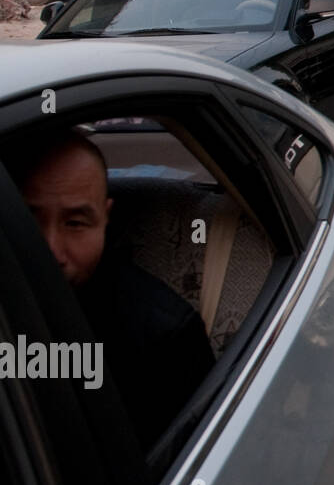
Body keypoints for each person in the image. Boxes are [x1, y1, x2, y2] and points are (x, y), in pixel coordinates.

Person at [16, 132, 215, 450]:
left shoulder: (162, 337)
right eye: (28, 219)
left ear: (106, 217)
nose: (50, 250)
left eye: (75, 223)